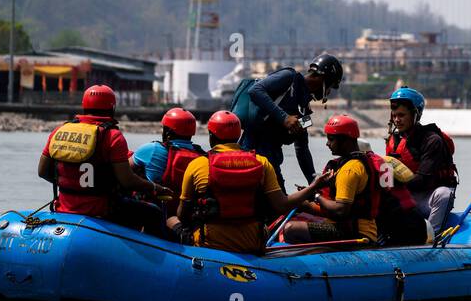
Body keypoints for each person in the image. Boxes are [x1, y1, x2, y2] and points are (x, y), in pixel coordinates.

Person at [170, 109, 320, 253]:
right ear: (238, 136)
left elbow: (183, 214)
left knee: (171, 219)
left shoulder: (198, 164)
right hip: (252, 242)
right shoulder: (261, 162)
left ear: (211, 136)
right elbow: (281, 205)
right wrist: (312, 187)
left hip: (209, 243)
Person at [38, 85, 170, 234]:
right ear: (112, 108)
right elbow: (127, 181)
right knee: (154, 213)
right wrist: (154, 188)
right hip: (102, 210)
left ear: (84, 106)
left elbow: (42, 171)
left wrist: (69, 185)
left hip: (64, 206)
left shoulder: (60, 131)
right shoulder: (112, 136)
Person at [280, 114, 425, 246]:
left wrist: (315, 196)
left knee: (291, 229)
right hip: (368, 226)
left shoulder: (350, 169)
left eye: (331, 139)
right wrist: (305, 202)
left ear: (346, 141)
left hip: (355, 232)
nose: (327, 144)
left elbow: (341, 211)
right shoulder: (371, 163)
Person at [230, 53, 343, 189]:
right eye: (330, 87)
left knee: (277, 201)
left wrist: (313, 181)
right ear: (322, 79)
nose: (329, 92)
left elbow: (302, 148)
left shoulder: (305, 112)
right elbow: (255, 90)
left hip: (272, 159)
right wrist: (284, 118)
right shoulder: (289, 77)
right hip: (250, 148)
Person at [385, 87, 458, 234]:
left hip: (427, 199)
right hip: (404, 198)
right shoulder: (394, 140)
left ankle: (431, 234)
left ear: (416, 114)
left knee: (444, 194)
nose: (397, 120)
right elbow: (385, 178)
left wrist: (395, 184)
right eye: (394, 115)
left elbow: (422, 181)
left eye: (402, 115)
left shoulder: (432, 140)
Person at [129, 107, 204, 214]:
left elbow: (125, 171)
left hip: (157, 212)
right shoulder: (202, 156)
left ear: (167, 133)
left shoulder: (152, 149)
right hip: (186, 214)